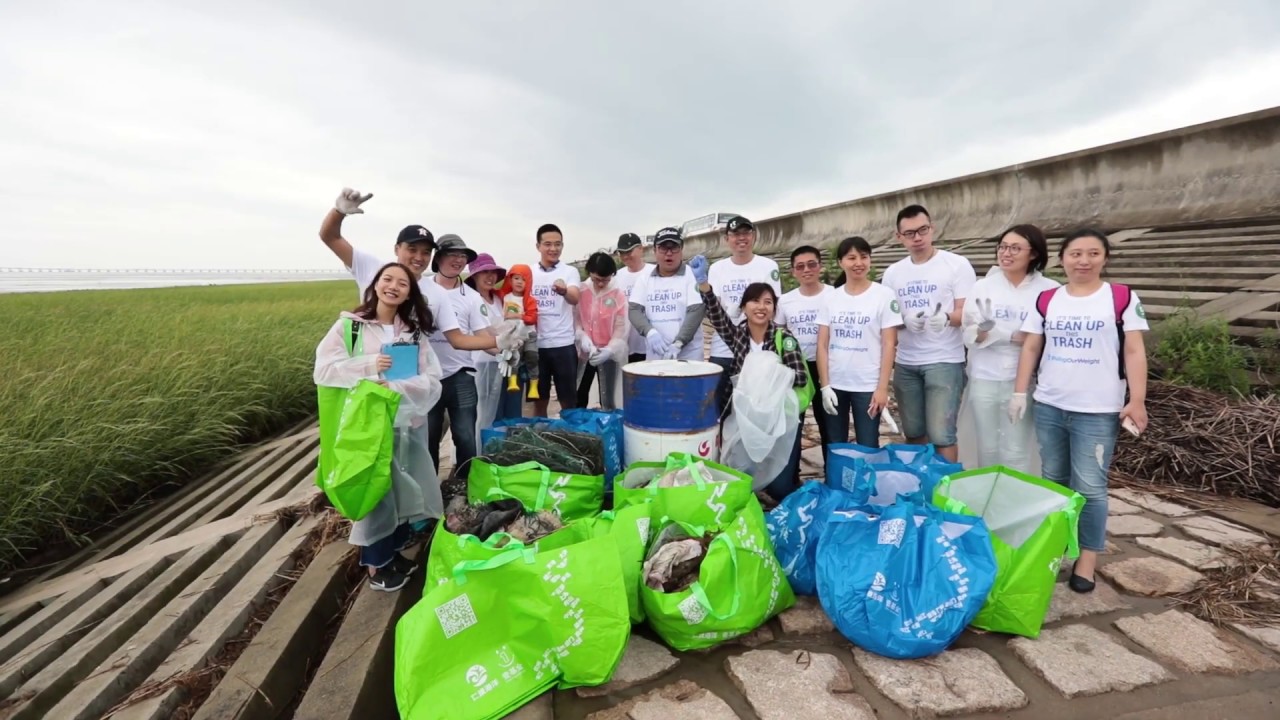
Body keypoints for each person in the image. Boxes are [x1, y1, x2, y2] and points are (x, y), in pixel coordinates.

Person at [1011, 228, 1149, 594]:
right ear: (1062, 259)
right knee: (1053, 478)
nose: (1083, 261)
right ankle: (1056, 543)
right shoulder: (1047, 299)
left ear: (1104, 258)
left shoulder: (1120, 298)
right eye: (1075, 254)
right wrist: (1020, 391)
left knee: (1090, 485)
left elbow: (1133, 350)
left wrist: (1137, 400)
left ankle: (1087, 557)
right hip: (1051, 404)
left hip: (1097, 408)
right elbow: (1031, 347)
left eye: (1092, 253)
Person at [314, 262, 442, 592]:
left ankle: (393, 552)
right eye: (388, 279)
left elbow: (431, 378)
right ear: (375, 285)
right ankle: (376, 564)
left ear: (410, 293)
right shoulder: (351, 328)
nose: (394, 286)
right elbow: (325, 371)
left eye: (403, 283)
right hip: (369, 429)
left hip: (405, 425)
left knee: (401, 487)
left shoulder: (412, 333)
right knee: (377, 490)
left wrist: (395, 389)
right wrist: (370, 367)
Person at [318, 188, 514, 356]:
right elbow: (330, 237)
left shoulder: (436, 292)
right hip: (368, 366)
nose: (419, 257)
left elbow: (458, 339)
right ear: (397, 249)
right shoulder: (372, 267)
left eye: (426, 252)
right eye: (412, 250)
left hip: (407, 372)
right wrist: (339, 212)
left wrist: (499, 342)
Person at [689, 255, 808, 501]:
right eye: (754, 301)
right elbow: (717, 315)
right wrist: (704, 284)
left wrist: (766, 374)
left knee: (780, 489)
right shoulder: (739, 336)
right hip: (747, 416)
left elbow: (800, 377)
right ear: (744, 307)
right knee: (742, 474)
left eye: (767, 302)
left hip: (777, 418)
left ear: (774, 308)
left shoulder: (783, 339)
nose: (761, 307)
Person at [956, 224, 1059, 472]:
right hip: (985, 377)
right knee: (987, 447)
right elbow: (969, 335)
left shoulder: (1048, 290)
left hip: (1024, 381)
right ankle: (988, 501)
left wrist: (1005, 335)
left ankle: (1015, 502)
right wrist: (983, 331)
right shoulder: (983, 287)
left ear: (1033, 254)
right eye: (1003, 247)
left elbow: (1045, 338)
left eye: (1015, 248)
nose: (1006, 253)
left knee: (1017, 450)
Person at [881, 204, 976, 463]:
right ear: (899, 237)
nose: (918, 238)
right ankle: (918, 484)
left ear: (932, 228)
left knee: (942, 434)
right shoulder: (893, 273)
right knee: (913, 432)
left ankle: (944, 489)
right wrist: (904, 320)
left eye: (923, 230)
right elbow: (887, 319)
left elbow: (967, 313)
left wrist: (946, 318)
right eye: (909, 233)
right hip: (907, 363)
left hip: (944, 360)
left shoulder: (956, 265)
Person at [816, 237, 903, 448]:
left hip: (867, 385)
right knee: (836, 443)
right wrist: (825, 385)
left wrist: (882, 388)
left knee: (868, 444)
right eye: (851, 258)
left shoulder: (883, 295)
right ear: (840, 262)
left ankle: (866, 482)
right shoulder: (830, 298)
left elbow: (889, 344)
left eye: (864, 257)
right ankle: (837, 481)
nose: (858, 263)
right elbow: (822, 344)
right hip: (836, 383)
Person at [418, 235, 491, 475]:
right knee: (427, 438)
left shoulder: (471, 297)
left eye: (462, 256)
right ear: (437, 258)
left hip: (461, 375)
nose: (458, 260)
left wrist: (507, 346)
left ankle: (463, 486)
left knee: (466, 436)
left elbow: (483, 337)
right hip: (425, 377)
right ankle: (429, 493)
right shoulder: (419, 288)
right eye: (452, 254)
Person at [707, 216, 782, 414]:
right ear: (727, 239)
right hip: (722, 350)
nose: (741, 238)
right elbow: (713, 309)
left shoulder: (768, 266)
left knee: (754, 411)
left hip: (757, 350)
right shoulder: (717, 269)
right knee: (719, 411)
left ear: (753, 236)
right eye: (735, 234)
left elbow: (773, 307)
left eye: (746, 233)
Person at [776, 245, 835, 477]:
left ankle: (832, 472)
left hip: (827, 368)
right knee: (794, 423)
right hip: (797, 369)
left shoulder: (834, 294)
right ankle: (790, 474)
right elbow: (779, 335)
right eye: (800, 266)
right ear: (793, 272)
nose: (806, 270)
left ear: (820, 266)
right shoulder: (786, 301)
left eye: (812, 264)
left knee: (829, 422)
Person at [466, 253, 523, 439]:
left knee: (505, 413)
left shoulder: (500, 300)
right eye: (485, 272)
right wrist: (501, 345)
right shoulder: (471, 300)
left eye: (493, 272)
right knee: (484, 414)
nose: (490, 277)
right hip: (482, 364)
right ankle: (481, 451)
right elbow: (483, 332)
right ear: (474, 275)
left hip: (504, 363)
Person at [628, 227, 706, 361]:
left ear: (681, 250)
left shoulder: (691, 274)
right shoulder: (645, 278)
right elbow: (634, 310)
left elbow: (696, 311)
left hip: (688, 356)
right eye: (663, 248)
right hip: (656, 356)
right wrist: (650, 332)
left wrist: (679, 342)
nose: (669, 253)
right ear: (654, 251)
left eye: (674, 248)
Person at [531, 223, 582, 416]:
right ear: (538, 246)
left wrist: (563, 290)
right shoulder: (529, 273)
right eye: (548, 244)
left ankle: (570, 437)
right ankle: (541, 435)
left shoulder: (570, 272)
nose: (553, 249)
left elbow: (575, 297)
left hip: (563, 344)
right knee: (538, 398)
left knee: (568, 399)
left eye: (558, 244)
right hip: (535, 346)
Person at [574, 252, 630, 409]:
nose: (600, 284)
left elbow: (621, 327)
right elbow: (576, 319)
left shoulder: (617, 294)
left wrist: (610, 349)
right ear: (589, 273)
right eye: (596, 279)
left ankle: (608, 427)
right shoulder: (582, 291)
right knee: (579, 391)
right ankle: (579, 426)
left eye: (605, 280)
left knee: (609, 396)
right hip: (585, 352)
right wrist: (582, 337)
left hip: (607, 354)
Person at [614, 232, 654, 365]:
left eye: (629, 251)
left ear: (641, 249)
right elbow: (610, 303)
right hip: (626, 344)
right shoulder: (616, 277)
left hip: (650, 344)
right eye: (622, 253)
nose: (625, 256)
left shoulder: (654, 273)